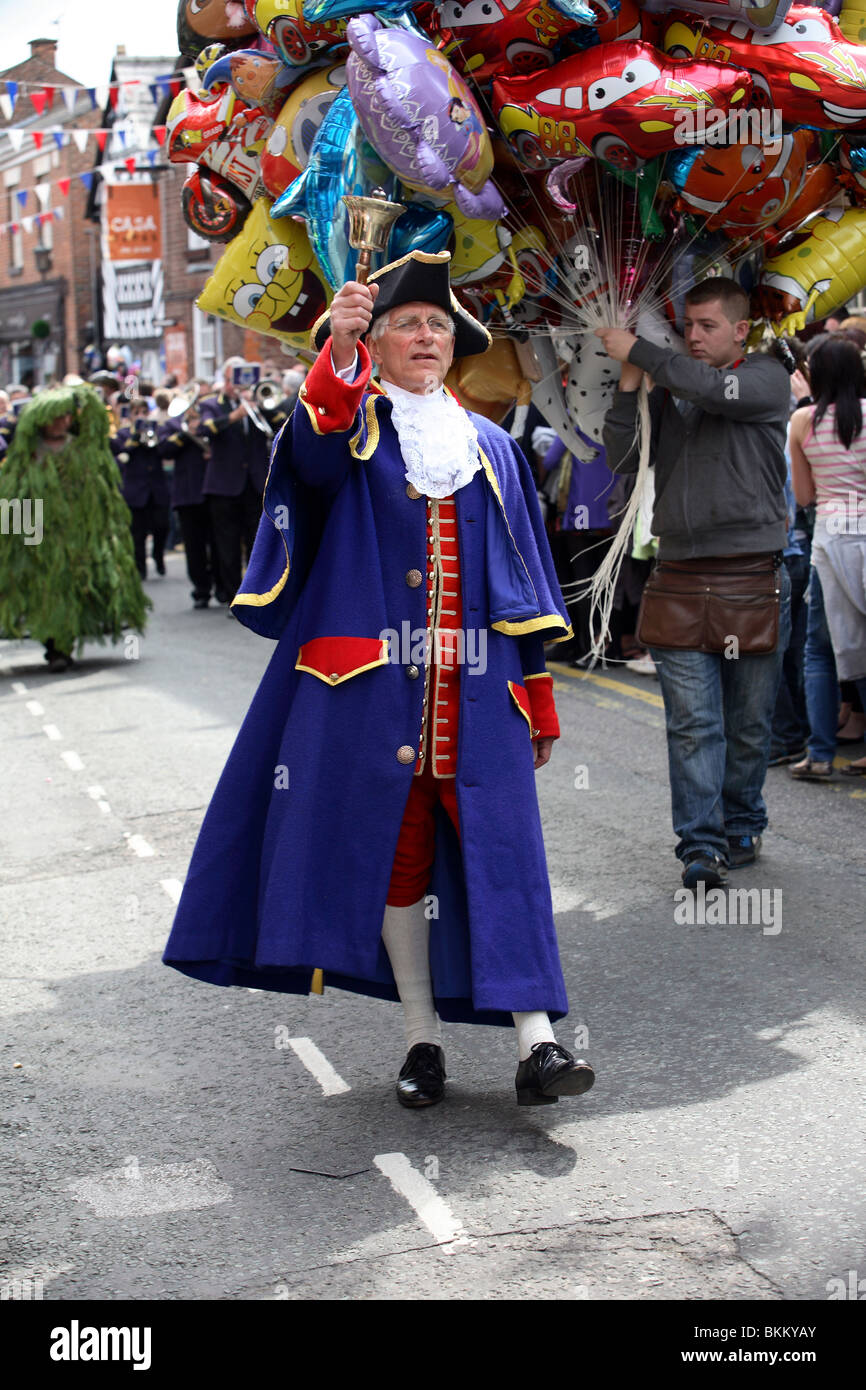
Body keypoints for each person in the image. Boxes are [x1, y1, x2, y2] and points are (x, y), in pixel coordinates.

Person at [164, 250, 595, 1109]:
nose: (427, 336)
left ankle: (539, 1046)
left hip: (481, 695)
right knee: (398, 869)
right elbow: (313, 453)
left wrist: (537, 694)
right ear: (380, 342)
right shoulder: (352, 428)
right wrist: (342, 350)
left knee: (503, 857)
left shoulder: (492, 448)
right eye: (407, 324)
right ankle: (420, 1039)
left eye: (438, 324)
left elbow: (526, 584)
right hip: (370, 694)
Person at [598, 278, 792, 887]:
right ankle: (702, 847)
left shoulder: (764, 378)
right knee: (694, 725)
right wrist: (629, 384)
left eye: (709, 326)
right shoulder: (671, 390)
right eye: (689, 325)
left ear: (740, 331)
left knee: (749, 723)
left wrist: (643, 352)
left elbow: (714, 388)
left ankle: (742, 821)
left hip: (752, 579)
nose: (695, 337)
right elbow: (623, 458)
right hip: (679, 577)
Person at [0, 385, 148, 671]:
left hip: (77, 531)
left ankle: (63, 645)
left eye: (67, 415)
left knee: (72, 584)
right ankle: (55, 646)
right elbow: (13, 498)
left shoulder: (82, 448)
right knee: (46, 586)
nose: (62, 422)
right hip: (38, 529)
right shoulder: (26, 453)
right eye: (56, 416)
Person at [788, 335, 866, 779]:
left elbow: (803, 495)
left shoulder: (802, 422)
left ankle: (818, 754)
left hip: (830, 539)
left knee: (818, 650)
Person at [198, 359, 292, 609]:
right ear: (226, 381)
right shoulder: (211, 405)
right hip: (223, 486)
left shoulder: (258, 404)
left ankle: (256, 593)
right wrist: (235, 415)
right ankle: (231, 594)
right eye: (233, 381)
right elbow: (204, 429)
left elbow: (283, 422)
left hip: (254, 484)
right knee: (226, 544)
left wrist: (260, 405)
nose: (237, 387)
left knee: (255, 541)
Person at [159, 401, 218, 608]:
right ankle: (201, 590)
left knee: (218, 544)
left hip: (213, 490)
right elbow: (164, 450)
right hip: (187, 494)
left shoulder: (210, 419)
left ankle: (221, 587)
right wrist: (187, 433)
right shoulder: (173, 425)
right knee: (194, 546)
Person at [111, 400, 171, 581]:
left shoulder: (157, 431)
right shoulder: (122, 434)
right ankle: (140, 567)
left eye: (144, 412)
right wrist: (135, 439)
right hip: (135, 491)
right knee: (137, 533)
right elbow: (121, 457)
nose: (141, 416)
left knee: (162, 526)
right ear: (130, 415)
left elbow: (166, 451)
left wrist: (156, 439)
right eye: (136, 412)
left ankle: (158, 555)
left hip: (157, 490)